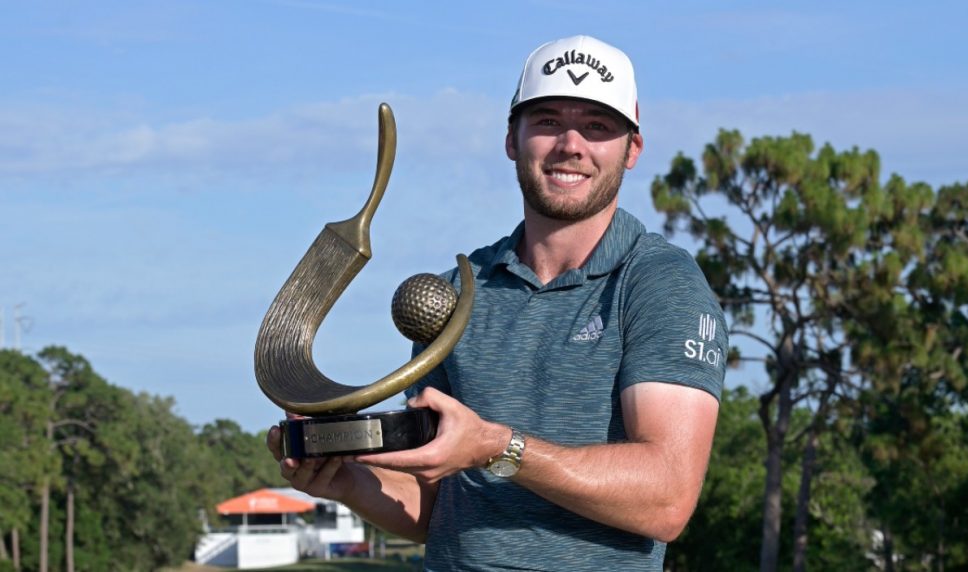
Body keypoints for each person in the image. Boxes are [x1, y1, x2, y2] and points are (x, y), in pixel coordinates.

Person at [268, 35, 727, 571]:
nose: (571, 145)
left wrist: (495, 447)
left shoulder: (659, 283)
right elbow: (438, 506)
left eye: (597, 127)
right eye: (548, 121)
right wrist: (346, 480)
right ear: (512, 138)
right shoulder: (455, 296)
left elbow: (666, 497)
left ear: (632, 149)